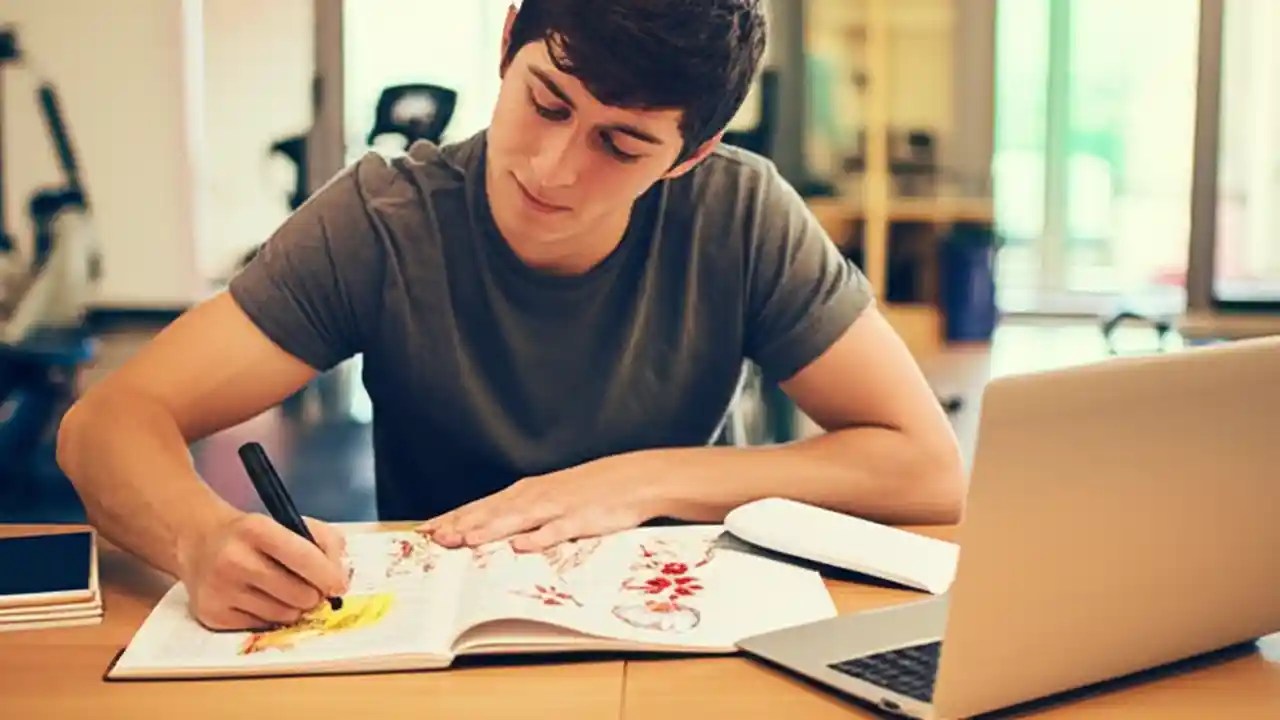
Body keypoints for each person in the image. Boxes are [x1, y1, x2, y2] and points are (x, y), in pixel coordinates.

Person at [56, 0, 964, 632]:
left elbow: (926, 466)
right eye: (547, 102)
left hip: (679, 629)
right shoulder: (383, 222)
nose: (555, 167)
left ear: (692, 155)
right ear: (505, 46)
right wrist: (199, 535)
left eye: (622, 143)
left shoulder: (738, 212)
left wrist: (640, 481)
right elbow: (108, 420)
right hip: (442, 650)